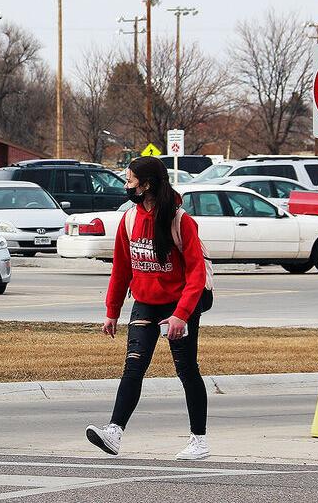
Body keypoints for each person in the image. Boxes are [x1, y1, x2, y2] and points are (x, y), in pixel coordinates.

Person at [85, 156, 213, 460]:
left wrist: (181, 315)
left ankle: (199, 440)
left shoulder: (180, 220)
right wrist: (111, 310)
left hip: (179, 304)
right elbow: (121, 268)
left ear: (147, 185)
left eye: (130, 180)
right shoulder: (129, 219)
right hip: (144, 302)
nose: (126, 185)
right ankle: (114, 431)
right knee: (134, 366)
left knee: (186, 370)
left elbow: (196, 273)